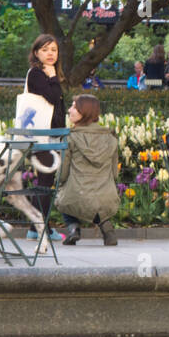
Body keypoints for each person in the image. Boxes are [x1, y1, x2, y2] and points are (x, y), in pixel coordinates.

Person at [54, 94, 120, 246]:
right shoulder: (110, 137)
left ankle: (73, 228)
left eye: (74, 107)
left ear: (84, 112)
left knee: (64, 198)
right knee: (97, 203)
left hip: (77, 193)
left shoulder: (71, 137)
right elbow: (114, 172)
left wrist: (59, 183)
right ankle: (106, 226)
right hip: (106, 196)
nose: (69, 110)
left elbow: (63, 171)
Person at [23, 33, 67, 240]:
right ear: (36, 53)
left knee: (45, 181)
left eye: (54, 50)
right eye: (45, 50)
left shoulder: (47, 73)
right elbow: (52, 96)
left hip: (50, 135)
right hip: (42, 135)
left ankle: (35, 227)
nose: (50, 54)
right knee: (44, 182)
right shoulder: (37, 74)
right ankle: (42, 228)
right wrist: (52, 78)